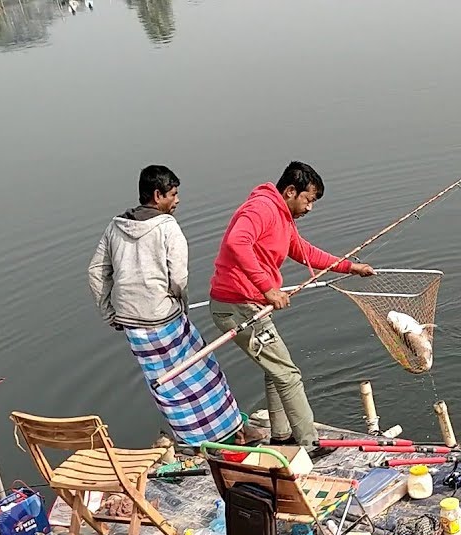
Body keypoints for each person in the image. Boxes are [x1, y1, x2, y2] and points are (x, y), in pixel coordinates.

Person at [88, 165, 264, 449]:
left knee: (166, 386)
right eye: (173, 194)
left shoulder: (115, 227)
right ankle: (233, 430)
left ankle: (192, 441)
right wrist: (179, 303)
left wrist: (110, 312)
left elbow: (97, 272)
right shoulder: (167, 227)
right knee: (204, 371)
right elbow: (179, 277)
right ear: (158, 196)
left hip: (133, 326)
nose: (177, 200)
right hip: (165, 319)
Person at [209, 161, 374, 456]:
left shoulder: (282, 216)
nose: (310, 207)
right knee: (288, 375)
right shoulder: (262, 208)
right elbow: (237, 242)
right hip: (238, 307)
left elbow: (303, 251)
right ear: (290, 191)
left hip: (250, 304)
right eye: (308, 200)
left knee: (277, 371)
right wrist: (268, 288)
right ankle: (308, 444)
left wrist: (350, 267)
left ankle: (282, 436)